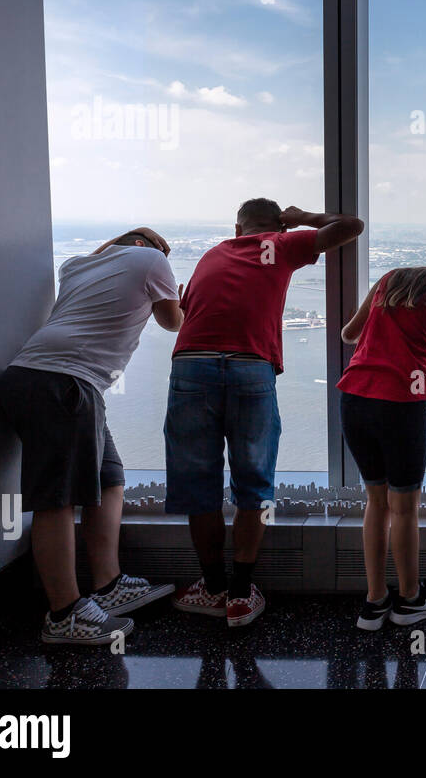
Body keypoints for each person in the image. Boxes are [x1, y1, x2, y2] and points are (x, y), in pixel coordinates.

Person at [166, 199, 362, 628]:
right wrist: (302, 220)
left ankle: (213, 587)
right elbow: (352, 226)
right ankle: (240, 595)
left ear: (237, 227)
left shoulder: (213, 253)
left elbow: (184, 316)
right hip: (250, 366)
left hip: (192, 365)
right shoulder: (281, 244)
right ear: (277, 225)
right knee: (253, 482)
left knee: (198, 484)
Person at [0, 226, 183, 645]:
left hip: (46, 379)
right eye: (162, 249)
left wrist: (130, 236)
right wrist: (182, 299)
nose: (165, 255)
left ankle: (108, 585)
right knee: (56, 500)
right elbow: (173, 322)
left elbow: (109, 253)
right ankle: (64, 615)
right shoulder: (152, 260)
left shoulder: (77, 267)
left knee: (109, 478)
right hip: (63, 383)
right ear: (144, 247)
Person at [336, 260, 426, 630]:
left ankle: (374, 602)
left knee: (376, 500)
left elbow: (348, 334)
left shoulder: (391, 280)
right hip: (400, 403)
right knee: (404, 508)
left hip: (354, 398)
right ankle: (410, 600)